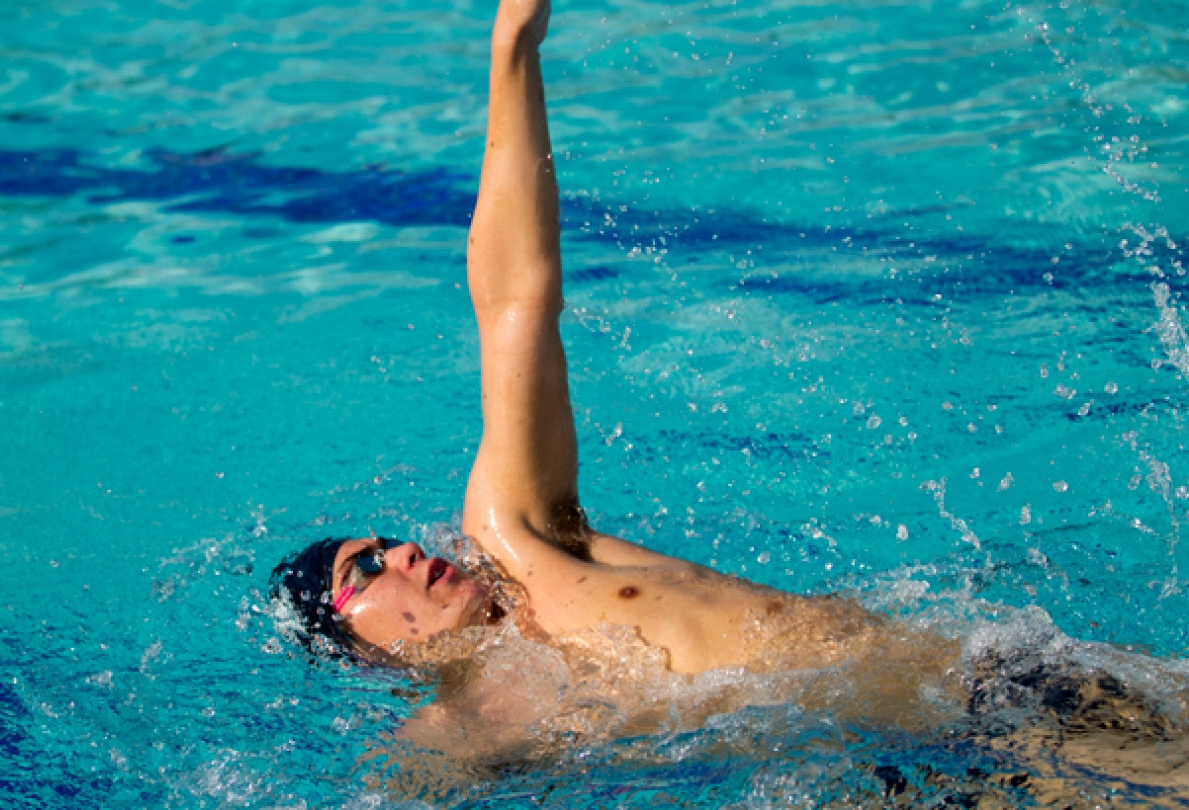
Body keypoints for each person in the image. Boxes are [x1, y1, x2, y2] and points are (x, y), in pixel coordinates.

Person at [271, 0, 1189, 789]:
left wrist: (514, 43)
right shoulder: (461, 735)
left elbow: (514, 300)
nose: (401, 553)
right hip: (967, 762)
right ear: (361, 654)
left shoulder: (522, 542)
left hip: (1005, 674)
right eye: (365, 570)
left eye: (385, 541)